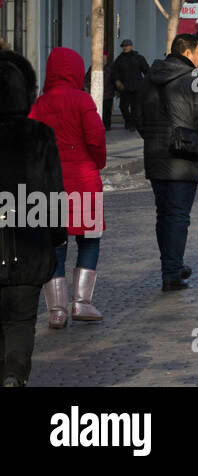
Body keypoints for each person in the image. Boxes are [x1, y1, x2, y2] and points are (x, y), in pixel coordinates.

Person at [0, 50, 65, 387]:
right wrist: (56, 236)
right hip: (30, 247)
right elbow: (54, 192)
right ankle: (14, 375)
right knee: (22, 321)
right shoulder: (39, 135)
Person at [30, 48, 106, 328]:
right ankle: (82, 302)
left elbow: (32, 141)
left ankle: (57, 310)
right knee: (89, 240)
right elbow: (96, 138)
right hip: (83, 180)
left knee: (55, 242)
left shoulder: (40, 103)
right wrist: (98, 162)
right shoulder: (82, 100)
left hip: (49, 184)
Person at [137, 33, 198, 291]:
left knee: (165, 214)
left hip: (156, 154)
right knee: (179, 215)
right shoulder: (194, 78)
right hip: (186, 154)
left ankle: (171, 265)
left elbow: (139, 117)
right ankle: (172, 272)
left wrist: (153, 138)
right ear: (187, 53)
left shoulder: (151, 77)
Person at [109, 39, 149, 131]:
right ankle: (128, 121)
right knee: (123, 106)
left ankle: (133, 124)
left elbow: (147, 71)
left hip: (137, 87)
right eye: (123, 46)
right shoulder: (119, 59)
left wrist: (146, 84)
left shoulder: (138, 58)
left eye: (127, 46)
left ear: (131, 46)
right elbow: (114, 72)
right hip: (124, 88)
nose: (125, 47)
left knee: (135, 107)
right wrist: (117, 81)